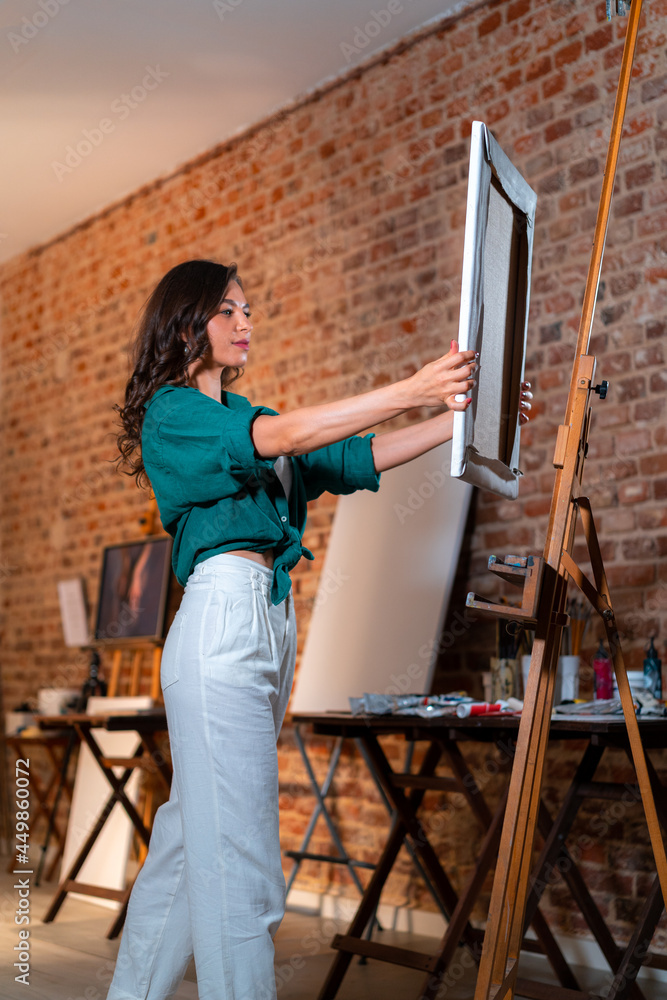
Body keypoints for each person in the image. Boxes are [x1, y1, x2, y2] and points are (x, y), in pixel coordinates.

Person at [107, 258, 532, 1000]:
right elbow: (288, 436)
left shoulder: (245, 417)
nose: (247, 323)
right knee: (243, 870)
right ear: (185, 325)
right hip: (221, 626)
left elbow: (353, 456)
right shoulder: (172, 414)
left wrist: (465, 416)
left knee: (185, 847)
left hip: (265, 621)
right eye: (228, 311)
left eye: (249, 310)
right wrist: (409, 388)